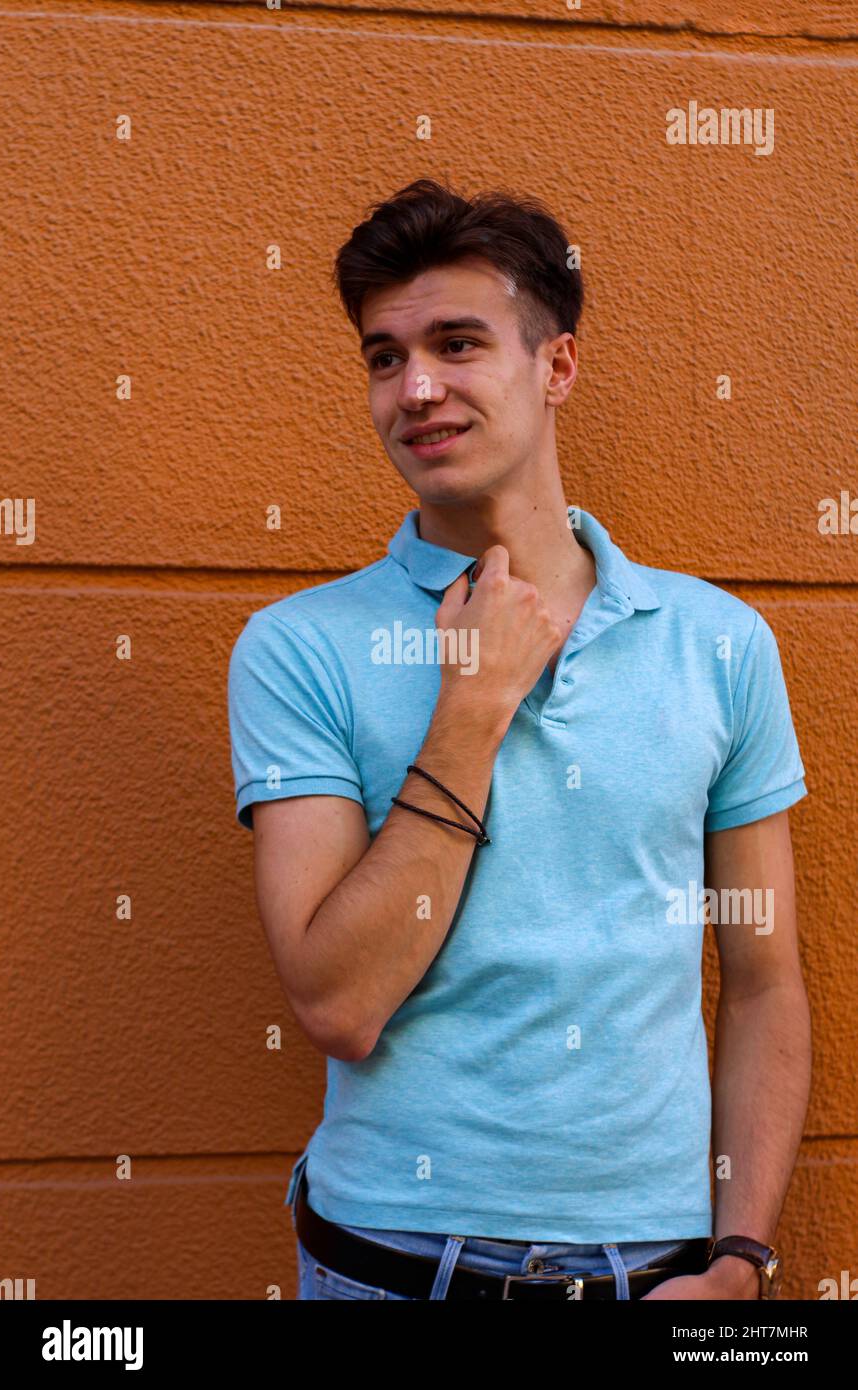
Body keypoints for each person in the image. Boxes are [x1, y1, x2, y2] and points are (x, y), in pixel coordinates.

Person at [227, 179, 810, 1301]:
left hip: (654, 1267)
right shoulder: (297, 646)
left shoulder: (717, 644)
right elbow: (337, 1006)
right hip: (389, 1261)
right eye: (382, 357)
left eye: (456, 343)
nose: (416, 388)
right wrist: (470, 708)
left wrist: (740, 1257)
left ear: (557, 367)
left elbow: (761, 981)